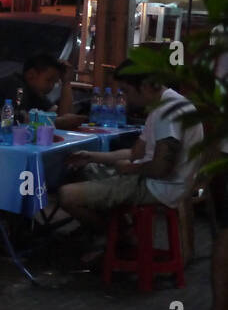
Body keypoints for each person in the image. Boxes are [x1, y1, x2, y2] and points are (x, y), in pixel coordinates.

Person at [60, 59, 203, 244]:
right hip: (153, 181)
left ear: (144, 86)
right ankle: (119, 232)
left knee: (66, 195)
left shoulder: (168, 112)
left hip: (159, 187)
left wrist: (129, 169)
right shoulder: (163, 105)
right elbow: (135, 154)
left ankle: (118, 238)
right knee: (86, 170)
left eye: (126, 91)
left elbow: (161, 168)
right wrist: (91, 157)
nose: (125, 98)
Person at [0, 52, 87, 131]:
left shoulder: (35, 92)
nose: (52, 86)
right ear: (31, 75)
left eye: (55, 82)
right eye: (49, 80)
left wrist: (66, 83)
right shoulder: (15, 86)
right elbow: (16, 120)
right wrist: (56, 122)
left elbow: (63, 116)